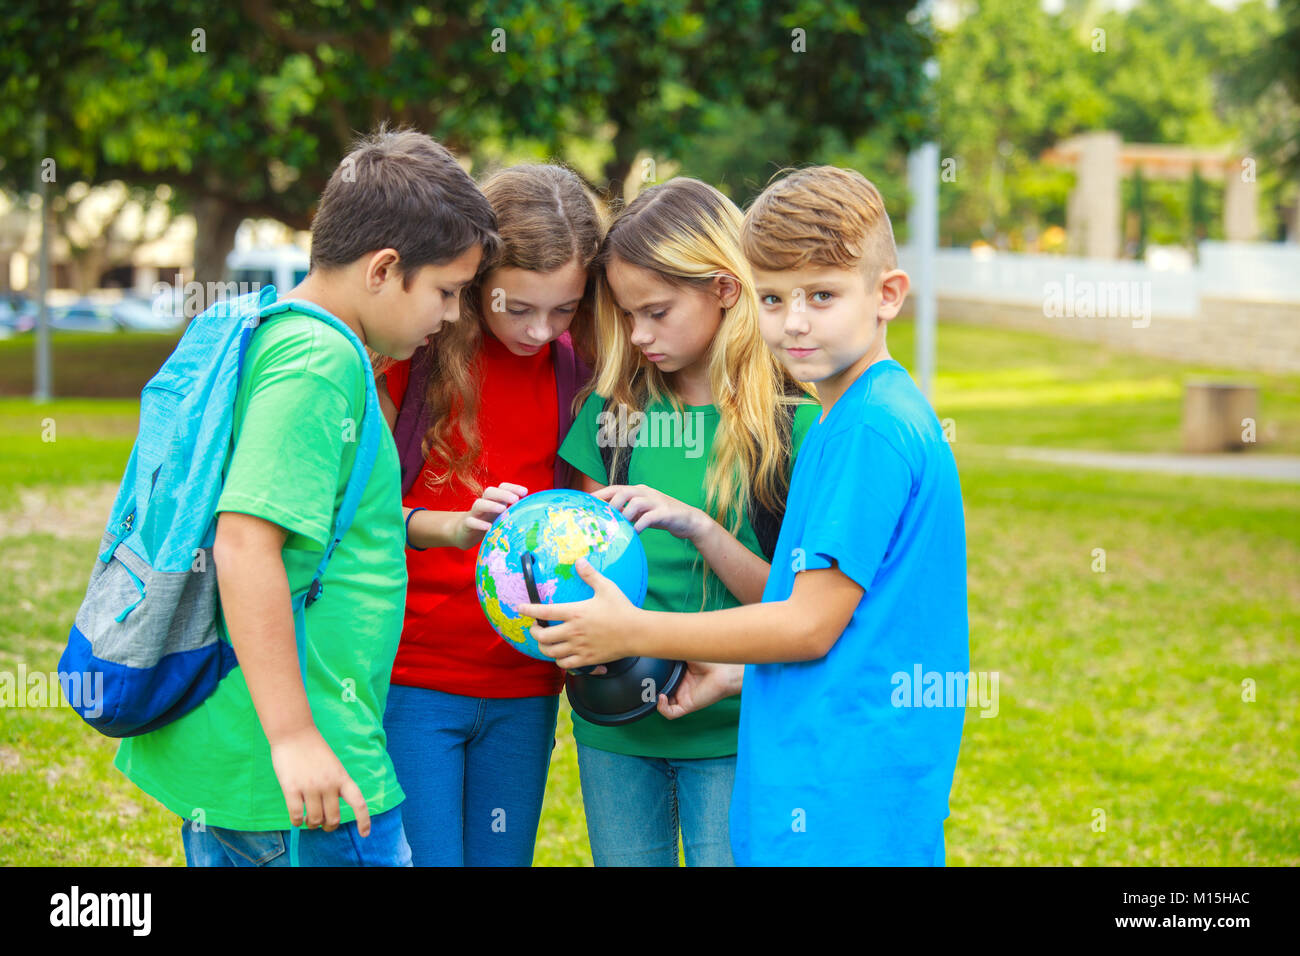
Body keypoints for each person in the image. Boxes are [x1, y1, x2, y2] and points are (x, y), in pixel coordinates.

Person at [517, 166, 970, 866]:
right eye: (773, 297)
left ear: (888, 296)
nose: (793, 320)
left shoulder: (862, 431)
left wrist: (634, 630)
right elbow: (831, 618)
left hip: (842, 791)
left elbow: (807, 624)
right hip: (822, 766)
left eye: (822, 296)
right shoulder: (856, 414)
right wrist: (735, 672)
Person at [114, 127, 500, 866]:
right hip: (303, 767)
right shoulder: (321, 362)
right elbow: (244, 542)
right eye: (447, 292)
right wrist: (295, 739)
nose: (451, 317)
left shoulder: (271, 330)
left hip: (250, 751)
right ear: (385, 268)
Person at [557, 177, 819, 866]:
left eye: (658, 312)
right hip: (615, 729)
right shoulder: (615, 418)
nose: (639, 335)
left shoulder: (796, 426)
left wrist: (700, 527)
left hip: (735, 726)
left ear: (725, 289)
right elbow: (582, 572)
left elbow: (798, 610)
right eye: (626, 314)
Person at [378, 163, 603, 866]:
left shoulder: (578, 366)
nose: (541, 331)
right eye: (519, 307)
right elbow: (359, 511)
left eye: (563, 309)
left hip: (526, 680)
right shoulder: (411, 359)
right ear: (477, 280)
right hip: (414, 676)